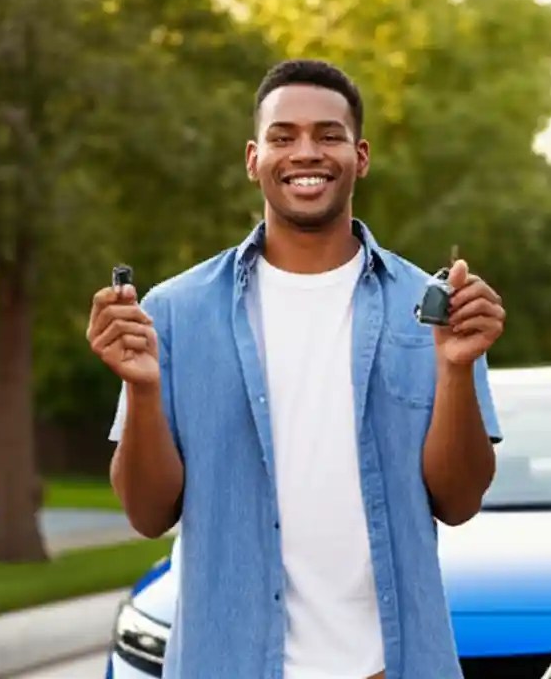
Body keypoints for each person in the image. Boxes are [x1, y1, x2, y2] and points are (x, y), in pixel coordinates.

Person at [87, 58, 506, 679]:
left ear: (360, 156)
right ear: (254, 158)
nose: (306, 152)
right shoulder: (173, 313)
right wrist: (142, 389)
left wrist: (453, 371)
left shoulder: (433, 311)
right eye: (284, 137)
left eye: (328, 135)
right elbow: (148, 515)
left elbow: (460, 499)